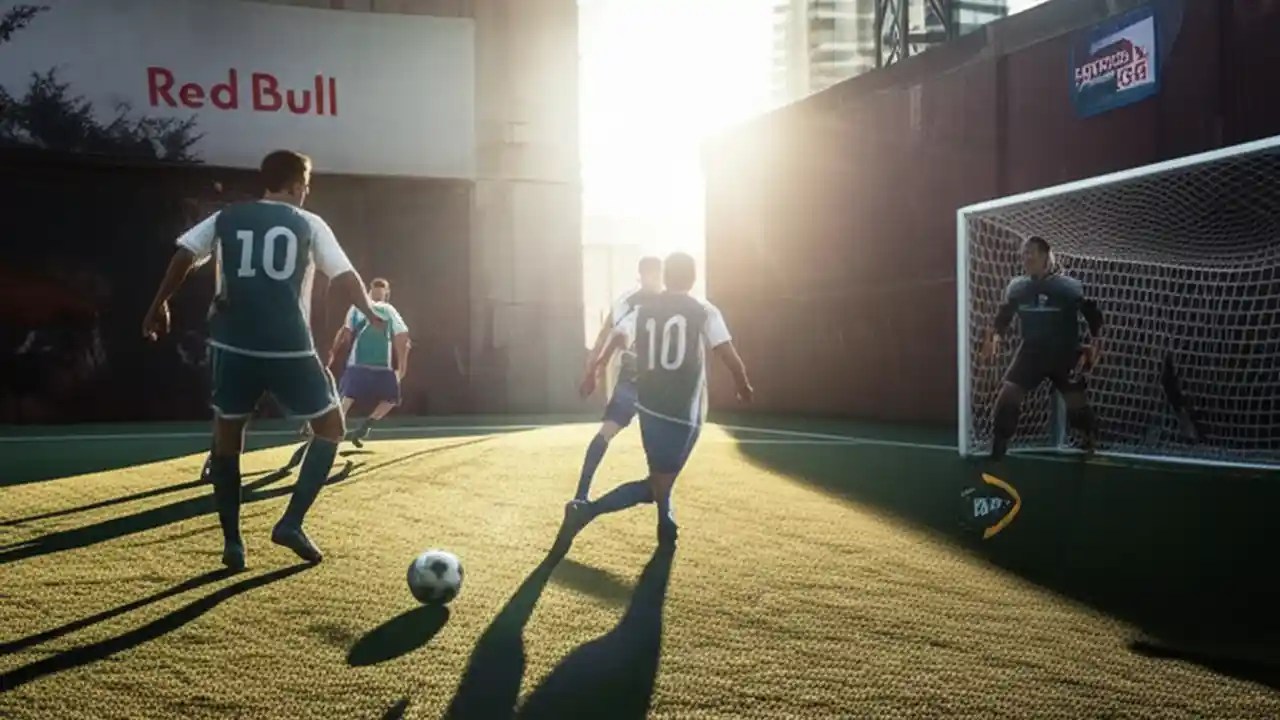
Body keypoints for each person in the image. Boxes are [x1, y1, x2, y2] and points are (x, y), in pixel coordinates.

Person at [143, 149, 384, 571]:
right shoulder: (309, 223)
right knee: (330, 427)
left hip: (232, 345)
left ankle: (233, 544)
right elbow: (345, 277)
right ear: (294, 185)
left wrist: (159, 303)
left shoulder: (227, 217)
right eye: (305, 186)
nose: (307, 193)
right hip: (289, 346)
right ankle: (290, 523)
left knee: (227, 438)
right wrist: (368, 313)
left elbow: (185, 253)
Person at [556, 252, 753, 552]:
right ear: (692, 278)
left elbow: (618, 336)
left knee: (659, 476)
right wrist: (744, 385)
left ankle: (663, 519)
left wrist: (597, 367)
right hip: (679, 410)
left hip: (649, 403)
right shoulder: (702, 309)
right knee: (658, 483)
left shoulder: (643, 309)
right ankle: (588, 509)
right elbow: (726, 352)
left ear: (664, 276)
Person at [983, 235, 1104, 460]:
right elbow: (1004, 316)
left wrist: (1096, 344)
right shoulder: (1018, 288)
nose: (1025, 257)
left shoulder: (1068, 287)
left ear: (1046, 257)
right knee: (1008, 395)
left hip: (1064, 352)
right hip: (1031, 353)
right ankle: (999, 445)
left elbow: (1093, 316)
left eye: (1031, 252)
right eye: (1023, 252)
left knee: (1076, 402)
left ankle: (1090, 441)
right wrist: (996, 337)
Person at [573, 256, 663, 503]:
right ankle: (581, 494)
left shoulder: (670, 302)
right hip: (633, 377)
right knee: (608, 430)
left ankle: (662, 508)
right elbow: (609, 334)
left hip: (661, 380)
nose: (656, 278)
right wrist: (592, 370)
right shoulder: (629, 302)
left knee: (658, 443)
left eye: (659, 273)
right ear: (642, 274)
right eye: (651, 273)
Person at [329, 277, 411, 448]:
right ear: (368, 292)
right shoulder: (359, 309)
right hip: (360, 365)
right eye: (374, 293)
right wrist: (332, 352)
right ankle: (329, 433)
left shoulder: (388, 310)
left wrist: (402, 366)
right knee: (347, 399)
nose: (377, 296)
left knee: (390, 399)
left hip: (380, 366)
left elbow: (402, 338)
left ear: (386, 294)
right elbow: (345, 332)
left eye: (380, 293)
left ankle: (363, 427)